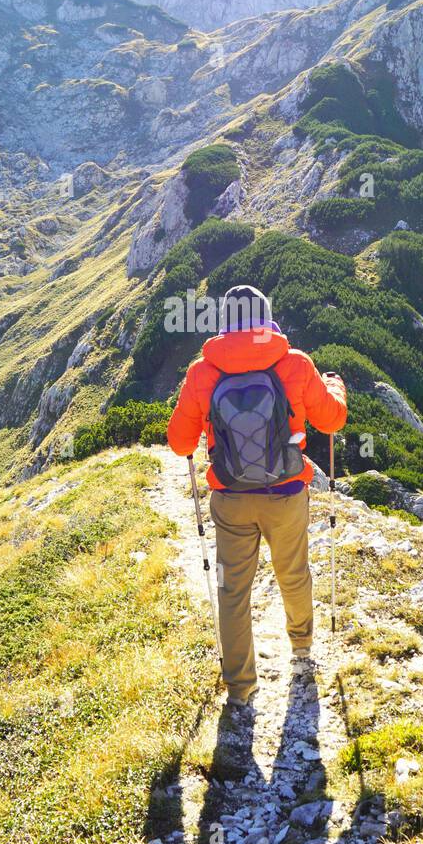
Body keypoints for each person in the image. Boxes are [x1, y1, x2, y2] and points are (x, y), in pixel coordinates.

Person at [167, 284, 346, 706]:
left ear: (224, 323)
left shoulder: (201, 373)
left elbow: (179, 443)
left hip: (230, 500)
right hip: (285, 495)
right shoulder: (296, 364)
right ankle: (301, 652)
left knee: (233, 590)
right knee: (293, 573)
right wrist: (335, 387)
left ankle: (240, 689)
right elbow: (332, 420)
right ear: (267, 320)